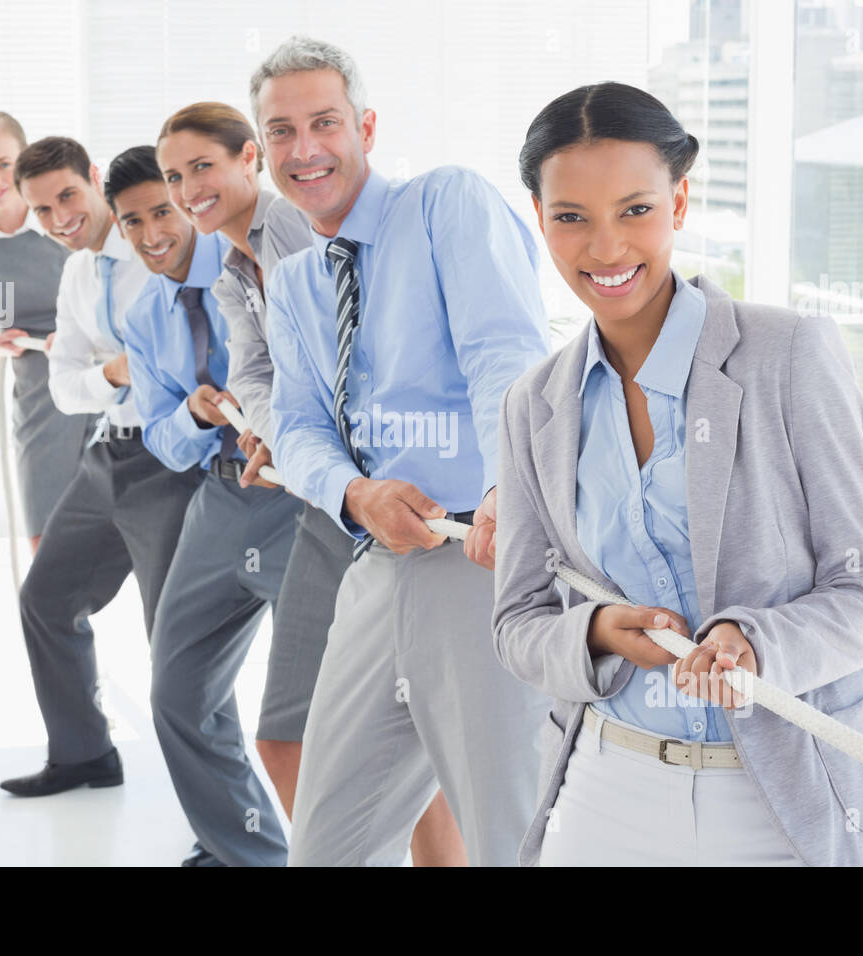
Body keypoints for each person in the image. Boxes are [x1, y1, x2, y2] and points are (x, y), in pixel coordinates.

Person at [491, 81, 863, 866]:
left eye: (635, 210)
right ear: (540, 219)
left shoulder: (790, 355)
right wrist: (597, 632)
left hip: (785, 794)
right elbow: (517, 624)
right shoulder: (534, 405)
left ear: (680, 201)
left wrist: (756, 641)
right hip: (609, 789)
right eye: (572, 218)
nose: (605, 249)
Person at [254, 36, 550, 866]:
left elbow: (505, 357)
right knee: (325, 846)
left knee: (510, 834)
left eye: (324, 123)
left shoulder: (445, 203)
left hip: (479, 555)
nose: (305, 149)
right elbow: (299, 426)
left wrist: (508, 491)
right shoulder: (296, 283)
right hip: (378, 565)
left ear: (366, 126)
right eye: (281, 132)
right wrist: (355, 494)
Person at [156, 100, 466, 864]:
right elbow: (260, 378)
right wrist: (277, 435)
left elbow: (360, 362)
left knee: (390, 743)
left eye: (204, 166)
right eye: (174, 176)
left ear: (246, 159)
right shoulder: (233, 272)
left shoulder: (295, 228)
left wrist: (299, 444)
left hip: (376, 501)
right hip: (330, 498)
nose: (189, 188)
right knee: (346, 740)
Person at [109, 144, 302, 867]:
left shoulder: (254, 267)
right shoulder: (145, 312)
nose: (152, 231)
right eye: (132, 222)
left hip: (297, 502)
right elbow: (163, 439)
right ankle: (245, 851)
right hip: (219, 500)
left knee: (308, 714)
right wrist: (193, 415)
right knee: (179, 693)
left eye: (162, 210)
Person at [0, 137, 199, 801]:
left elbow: (174, 374)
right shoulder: (79, 274)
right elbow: (63, 387)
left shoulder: (162, 247)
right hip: (105, 455)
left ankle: (220, 819)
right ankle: (85, 753)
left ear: (93, 179)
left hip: (168, 462)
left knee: (171, 641)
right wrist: (111, 373)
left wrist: (103, 374)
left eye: (66, 196)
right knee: (46, 600)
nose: (58, 217)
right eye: (40, 209)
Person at [0, 111, 90, 552]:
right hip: (40, 401)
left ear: (23, 160)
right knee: (46, 542)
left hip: (103, 383)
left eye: (4, 163)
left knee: (124, 527)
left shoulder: (62, 226)